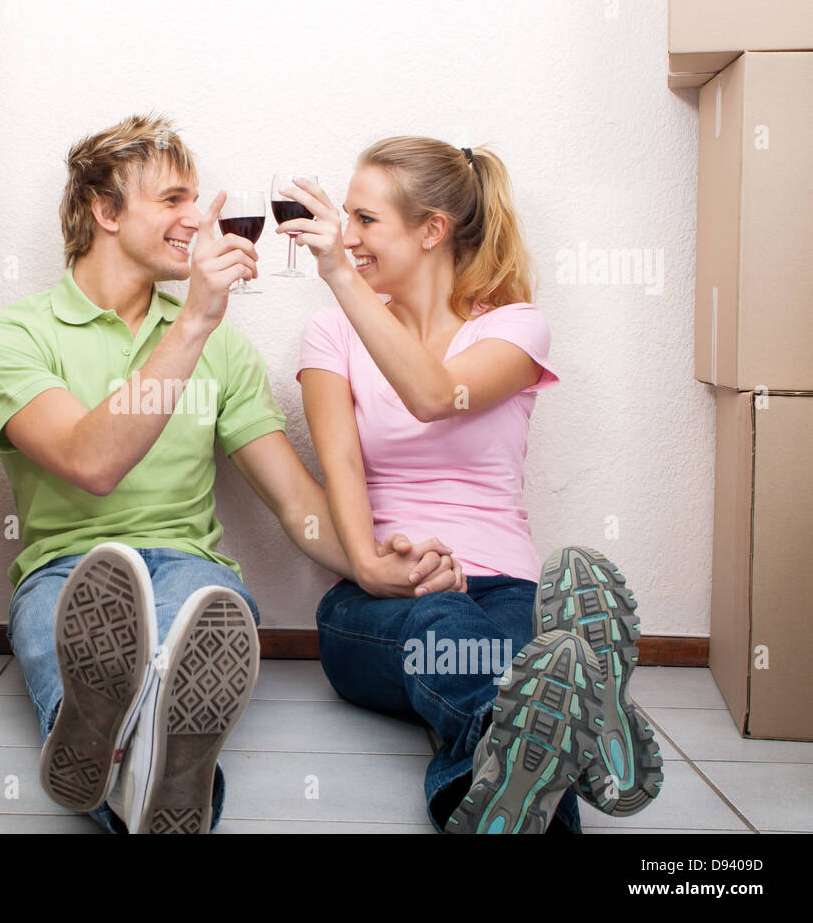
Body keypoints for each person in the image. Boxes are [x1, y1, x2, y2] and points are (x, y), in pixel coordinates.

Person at [0, 115, 465, 834]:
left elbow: (295, 503)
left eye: (195, 199)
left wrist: (372, 560)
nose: (197, 218)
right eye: (172, 200)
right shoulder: (9, 339)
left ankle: (136, 747)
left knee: (179, 648)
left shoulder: (223, 349)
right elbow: (90, 461)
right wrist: (191, 323)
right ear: (105, 211)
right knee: (75, 656)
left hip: (189, 571)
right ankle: (153, 763)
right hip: (66, 574)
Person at [282, 137, 664, 833]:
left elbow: (436, 395)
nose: (347, 234)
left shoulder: (516, 329)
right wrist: (372, 566)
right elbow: (338, 464)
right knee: (474, 649)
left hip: (506, 589)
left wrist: (339, 272)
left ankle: (523, 752)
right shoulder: (331, 333)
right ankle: (581, 729)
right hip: (379, 602)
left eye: (365, 219)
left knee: (525, 686)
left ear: (433, 230)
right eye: (347, 217)